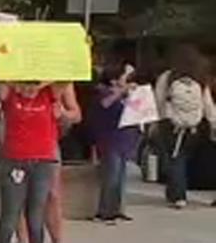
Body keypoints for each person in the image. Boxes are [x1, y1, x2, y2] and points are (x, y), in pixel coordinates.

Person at [0, 80, 79, 243]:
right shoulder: (10, 96)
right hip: (14, 160)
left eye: (34, 84)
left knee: (36, 212)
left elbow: (64, 77)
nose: (30, 89)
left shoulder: (48, 94)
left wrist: (40, 85)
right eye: (27, 84)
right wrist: (19, 85)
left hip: (42, 160)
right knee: (11, 210)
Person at [153, 45, 216, 209]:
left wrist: (158, 119)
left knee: (175, 159)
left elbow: (159, 100)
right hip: (194, 126)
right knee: (183, 158)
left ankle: (178, 196)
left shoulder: (167, 77)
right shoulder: (200, 78)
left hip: (171, 124)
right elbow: (207, 103)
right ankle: (174, 192)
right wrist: (213, 122)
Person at [91, 61, 139, 224]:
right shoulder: (103, 93)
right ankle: (104, 211)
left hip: (125, 139)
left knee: (121, 178)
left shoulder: (125, 95)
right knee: (111, 176)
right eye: (123, 77)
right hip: (109, 140)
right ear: (113, 80)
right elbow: (105, 104)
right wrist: (122, 90)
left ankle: (118, 209)